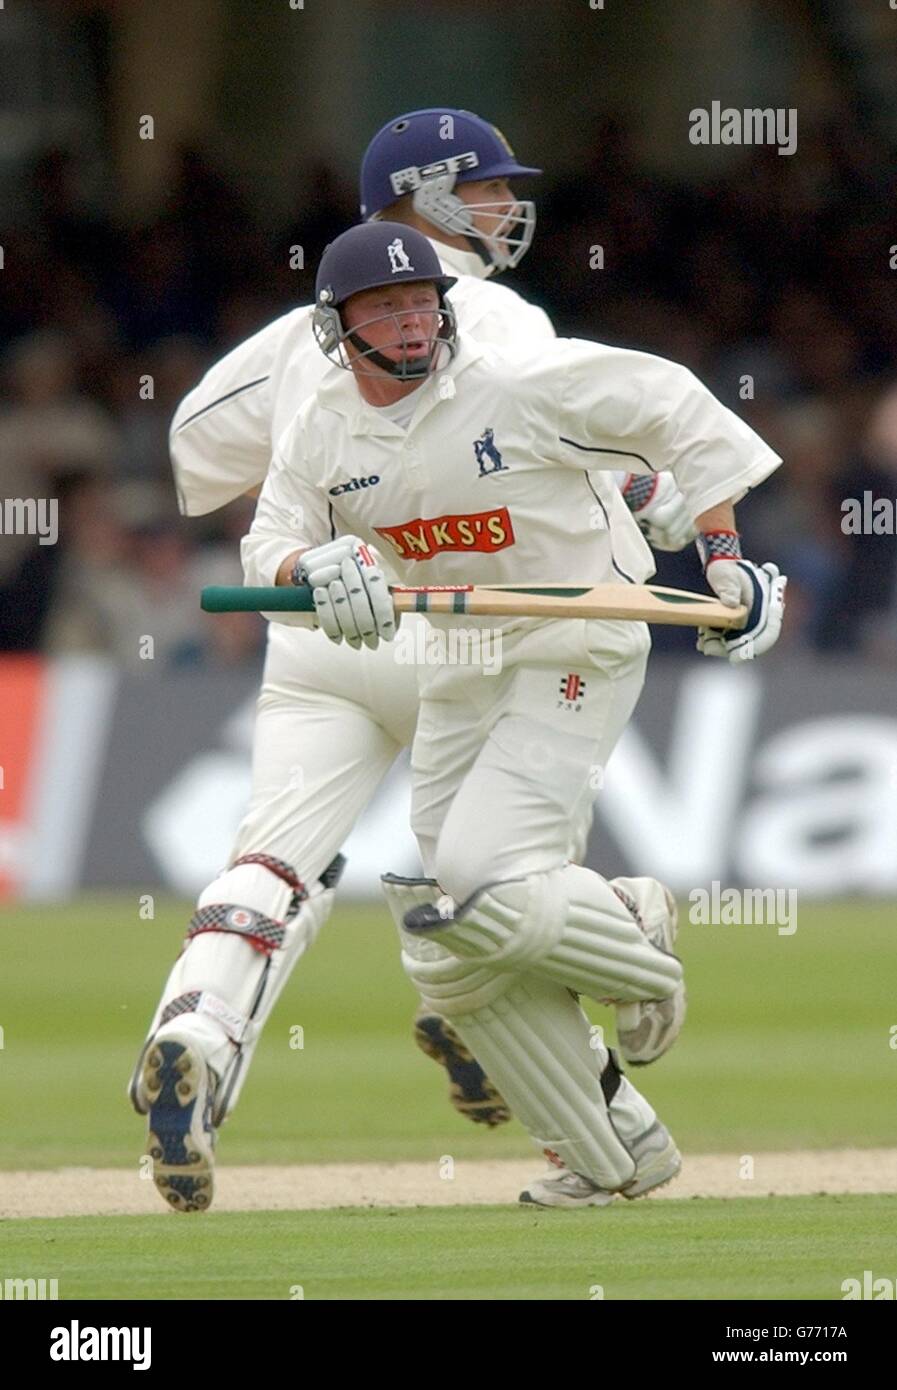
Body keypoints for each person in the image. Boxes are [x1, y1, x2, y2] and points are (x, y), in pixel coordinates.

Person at [130, 109, 695, 1213]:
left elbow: (194, 444)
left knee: (273, 863)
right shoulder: (485, 311)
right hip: (461, 622)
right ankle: (607, 965)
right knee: (488, 888)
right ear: (428, 197)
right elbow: (572, 440)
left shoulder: (302, 330)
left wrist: (312, 500)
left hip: (321, 623)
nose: (503, 209)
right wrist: (655, 501)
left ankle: (196, 1027)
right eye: (485, 189)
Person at [242, 221, 787, 1206]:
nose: (413, 322)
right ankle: (614, 1147)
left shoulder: (516, 381)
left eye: (423, 302)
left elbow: (679, 411)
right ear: (337, 327)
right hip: (458, 654)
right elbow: (270, 538)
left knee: (486, 882)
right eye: (386, 307)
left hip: (577, 635)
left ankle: (634, 935)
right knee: (440, 937)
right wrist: (305, 565)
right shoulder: (321, 424)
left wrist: (721, 558)